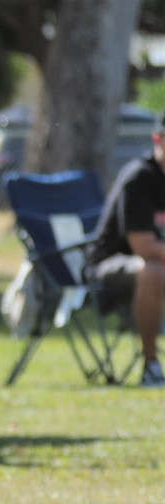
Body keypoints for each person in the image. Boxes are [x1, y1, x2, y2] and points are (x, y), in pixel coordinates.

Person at [88, 111, 165, 387]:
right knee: (153, 270)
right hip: (108, 269)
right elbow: (143, 245)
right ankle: (151, 365)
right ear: (157, 139)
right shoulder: (140, 177)